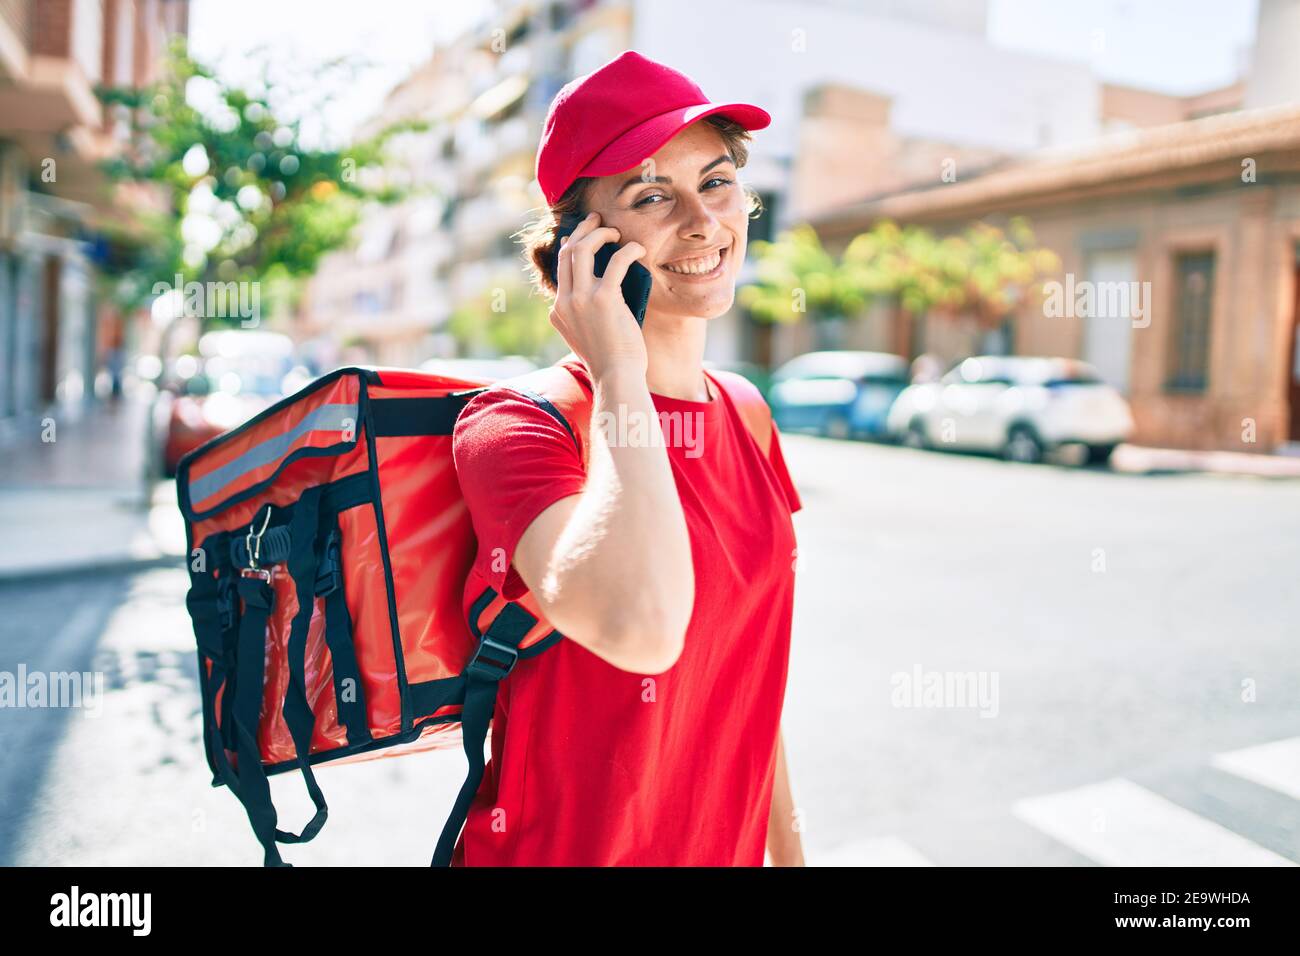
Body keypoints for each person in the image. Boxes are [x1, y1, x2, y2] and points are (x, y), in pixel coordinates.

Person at [450, 50, 805, 866]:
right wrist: (618, 372)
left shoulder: (749, 417)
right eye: (652, 195)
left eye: (716, 182)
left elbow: (748, 687)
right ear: (581, 247)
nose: (704, 221)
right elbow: (642, 631)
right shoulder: (516, 427)